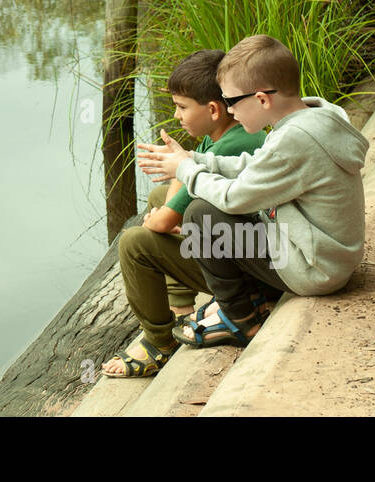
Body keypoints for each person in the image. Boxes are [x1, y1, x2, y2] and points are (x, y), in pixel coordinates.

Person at [138, 34, 369, 350]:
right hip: (327, 255)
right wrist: (197, 160)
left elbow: (234, 197)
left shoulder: (295, 141)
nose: (230, 111)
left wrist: (185, 171)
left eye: (232, 102)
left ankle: (240, 318)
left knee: (201, 214)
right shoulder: (313, 118)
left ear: (261, 99)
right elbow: (257, 164)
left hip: (315, 269)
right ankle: (253, 297)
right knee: (210, 205)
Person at [101, 49, 268, 378]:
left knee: (134, 243)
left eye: (181, 107)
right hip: (247, 248)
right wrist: (181, 167)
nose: (176, 116)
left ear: (213, 110)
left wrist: (179, 167)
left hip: (254, 274)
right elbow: (174, 201)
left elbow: (162, 222)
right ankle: (180, 309)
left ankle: (159, 343)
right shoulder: (225, 136)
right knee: (158, 195)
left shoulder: (226, 147)